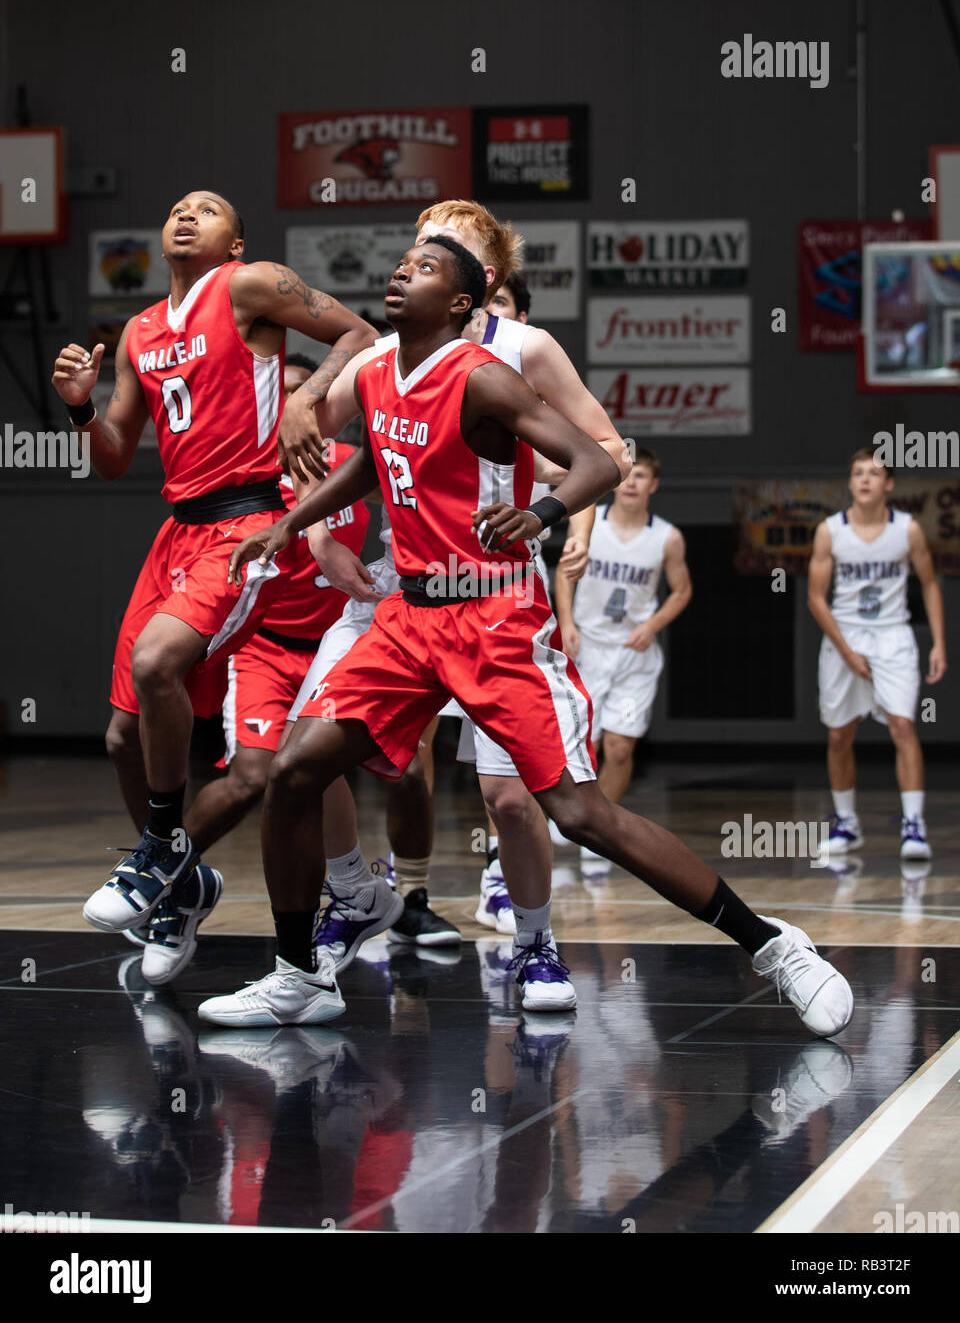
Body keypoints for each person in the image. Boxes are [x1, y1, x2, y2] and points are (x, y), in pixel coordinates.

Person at [199, 235, 854, 1045]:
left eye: (428, 268)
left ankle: (773, 945)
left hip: (495, 617)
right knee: (295, 772)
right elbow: (371, 464)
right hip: (409, 620)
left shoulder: (484, 377)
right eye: (403, 261)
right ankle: (299, 977)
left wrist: (541, 516)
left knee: (577, 812)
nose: (404, 270)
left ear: (465, 305)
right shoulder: (373, 372)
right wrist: (291, 524)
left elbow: (596, 460)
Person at [283, 201, 625, 979]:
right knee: (319, 753)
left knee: (513, 798)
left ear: (481, 281)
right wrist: (318, 534)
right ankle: (359, 896)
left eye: (441, 250)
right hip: (399, 586)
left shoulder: (522, 349)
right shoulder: (386, 351)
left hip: (494, 586)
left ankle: (535, 941)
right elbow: (321, 446)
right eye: (415, 245)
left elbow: (603, 448)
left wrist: (535, 497)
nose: (417, 256)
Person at [52, 191, 376, 941]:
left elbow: (360, 333)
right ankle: (182, 887)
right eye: (177, 207)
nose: (187, 214)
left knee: (159, 659)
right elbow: (108, 463)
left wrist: (308, 400)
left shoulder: (248, 286)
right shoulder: (138, 332)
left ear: (236, 244)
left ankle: (162, 852)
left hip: (248, 524)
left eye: (209, 208)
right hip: (177, 532)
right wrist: (80, 411)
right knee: (118, 738)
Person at [553, 450, 692, 877]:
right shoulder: (590, 525)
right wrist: (567, 622)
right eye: (627, 477)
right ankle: (577, 814)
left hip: (634, 656)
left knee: (619, 746)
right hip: (589, 648)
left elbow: (682, 590)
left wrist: (652, 624)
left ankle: (602, 830)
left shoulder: (667, 537)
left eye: (642, 476)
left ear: (653, 485)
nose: (632, 483)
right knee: (582, 743)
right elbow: (562, 571)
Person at [807, 447, 947, 860]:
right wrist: (846, 650)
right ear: (850, 482)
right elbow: (816, 598)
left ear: (888, 483)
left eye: (874, 473)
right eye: (857, 473)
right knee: (839, 734)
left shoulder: (908, 529)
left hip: (892, 636)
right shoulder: (830, 530)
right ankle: (847, 823)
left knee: (903, 726)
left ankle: (914, 825)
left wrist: (939, 642)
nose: (864, 480)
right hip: (844, 635)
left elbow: (930, 584)